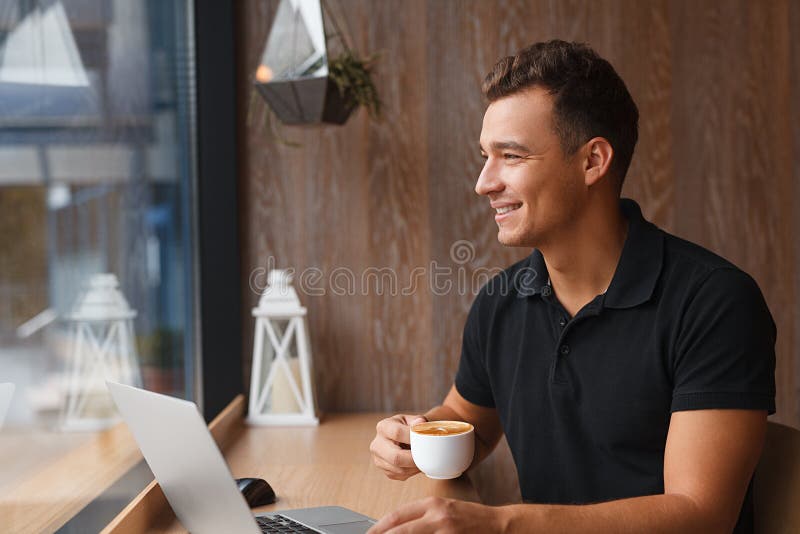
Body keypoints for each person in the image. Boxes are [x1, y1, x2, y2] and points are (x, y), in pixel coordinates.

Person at [368, 40, 775, 534]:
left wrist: (501, 525)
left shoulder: (714, 302)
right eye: (484, 156)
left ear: (592, 161)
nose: (483, 182)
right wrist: (415, 436)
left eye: (510, 156)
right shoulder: (500, 301)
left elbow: (700, 515)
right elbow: (465, 417)